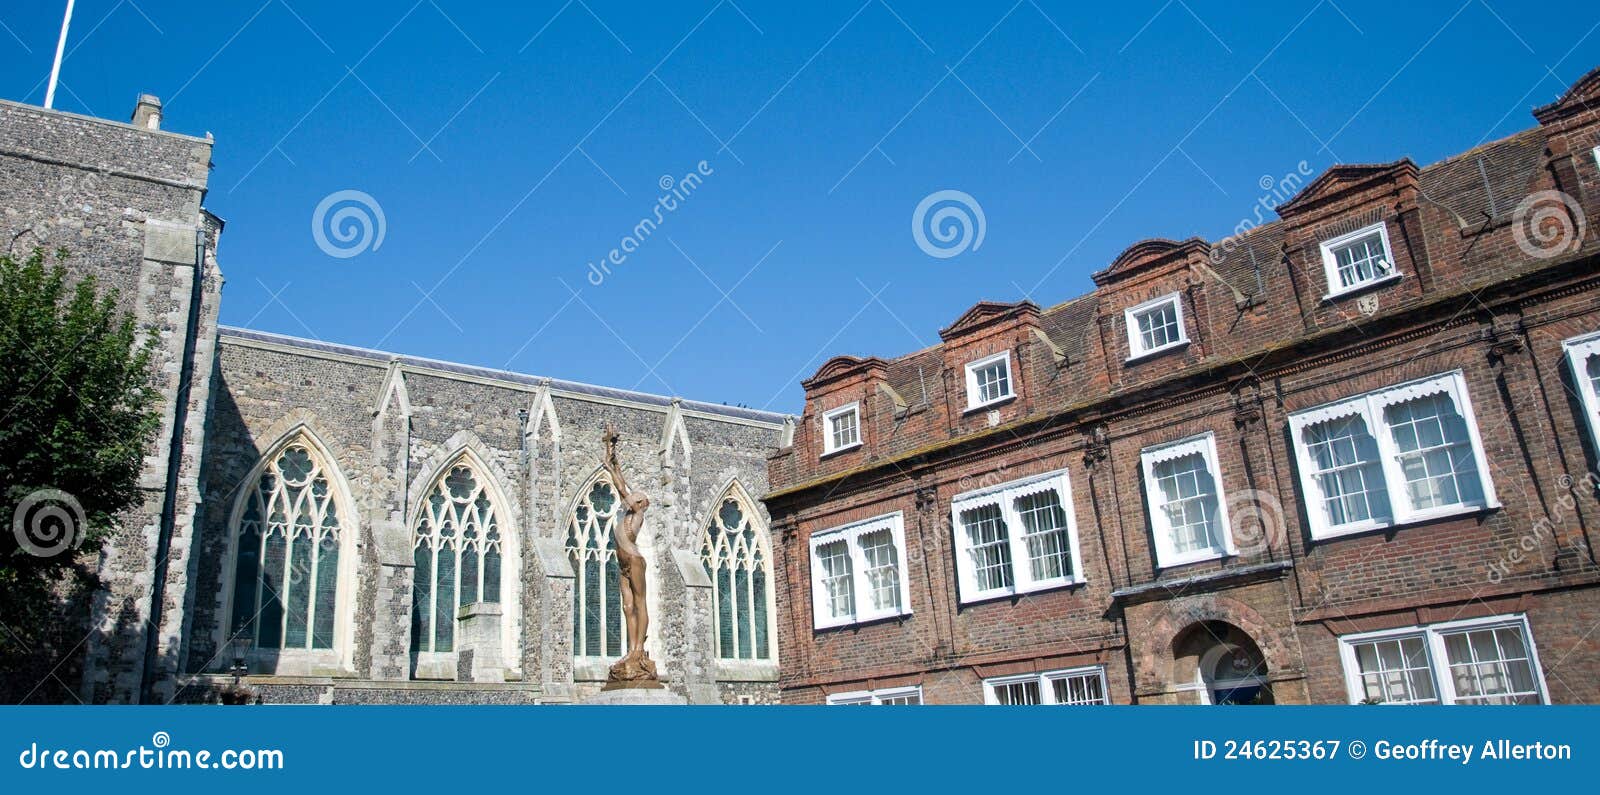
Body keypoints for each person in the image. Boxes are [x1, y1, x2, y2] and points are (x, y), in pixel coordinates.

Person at [601, 425, 654, 680]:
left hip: (634, 560)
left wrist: (611, 469)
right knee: (627, 606)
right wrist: (613, 460)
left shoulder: (638, 512)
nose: (631, 497)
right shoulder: (626, 514)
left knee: (640, 602)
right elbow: (621, 485)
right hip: (622, 562)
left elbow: (623, 490)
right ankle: (631, 650)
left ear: (641, 503)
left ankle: (639, 649)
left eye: (636, 497)